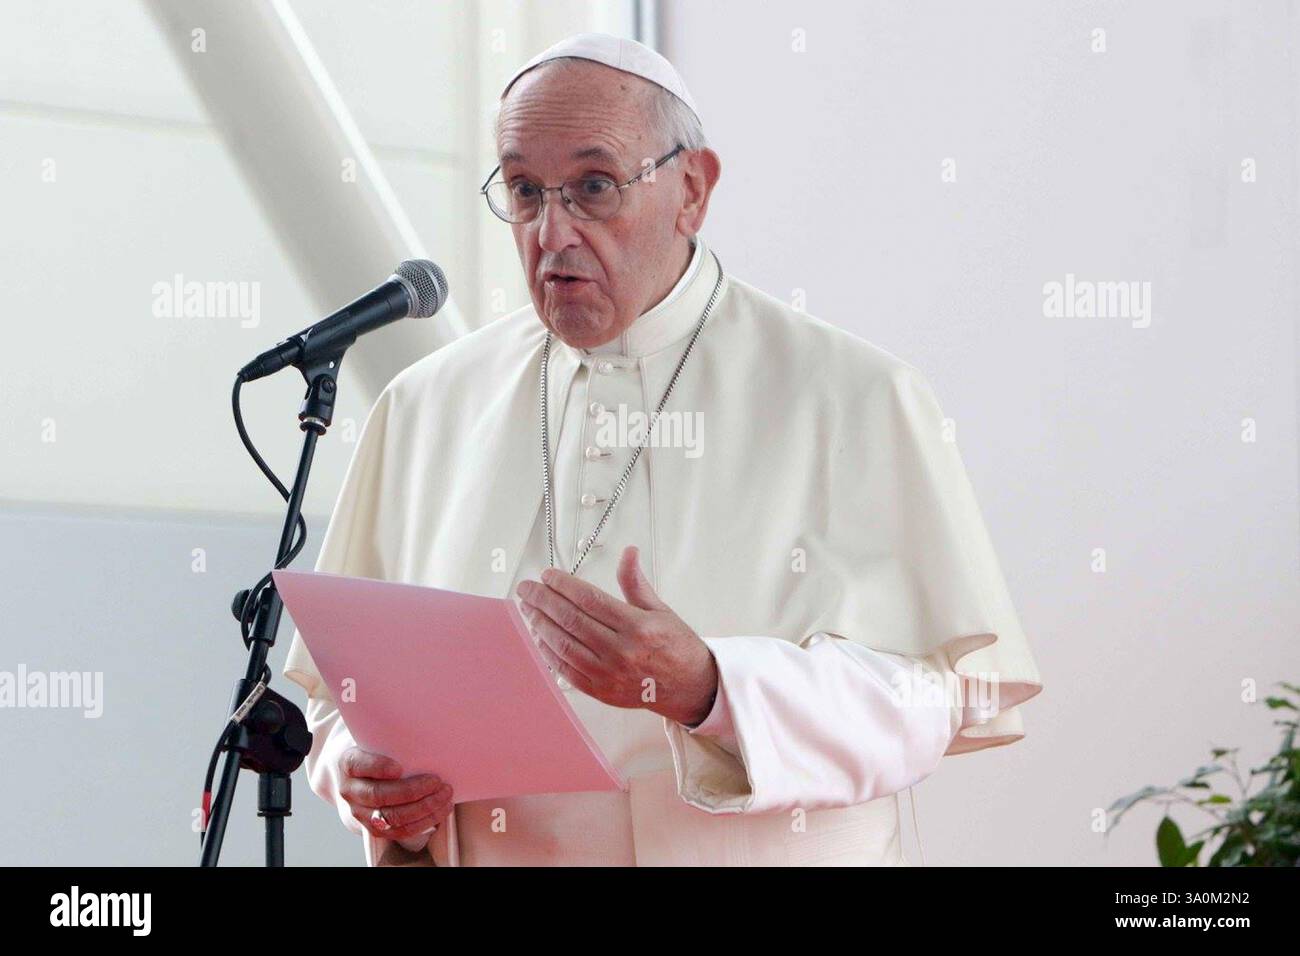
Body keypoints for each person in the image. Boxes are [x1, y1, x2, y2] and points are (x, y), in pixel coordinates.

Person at [283, 33, 1042, 866]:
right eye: (525, 190)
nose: (551, 231)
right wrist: (362, 775)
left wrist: (710, 688)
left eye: (594, 187)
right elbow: (346, 695)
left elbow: (928, 700)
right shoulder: (427, 406)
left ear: (692, 189)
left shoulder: (851, 394)